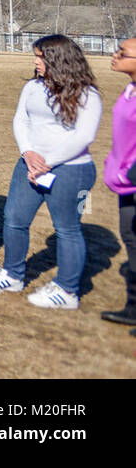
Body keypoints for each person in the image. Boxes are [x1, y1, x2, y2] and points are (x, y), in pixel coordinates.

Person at [0, 35, 102, 308]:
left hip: (72, 171)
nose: (35, 61)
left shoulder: (87, 94)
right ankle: (12, 275)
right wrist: (28, 152)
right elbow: (20, 119)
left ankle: (67, 291)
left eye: (40, 57)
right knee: (14, 218)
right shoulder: (33, 87)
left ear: (60, 60)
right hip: (29, 164)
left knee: (67, 229)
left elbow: (84, 137)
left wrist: (47, 162)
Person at [101, 37, 136, 333]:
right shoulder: (129, 90)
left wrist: (130, 174)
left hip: (133, 184)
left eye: (122, 53)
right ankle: (133, 309)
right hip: (126, 186)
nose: (115, 55)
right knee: (132, 242)